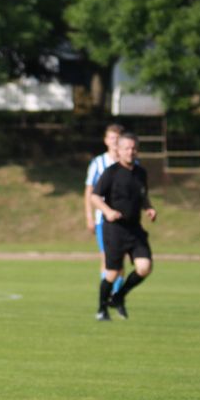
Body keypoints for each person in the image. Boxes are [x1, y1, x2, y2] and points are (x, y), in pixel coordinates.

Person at [90, 132, 156, 321]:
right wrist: (108, 211)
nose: (131, 151)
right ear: (118, 150)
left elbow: (142, 195)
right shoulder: (111, 172)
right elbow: (95, 196)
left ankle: (118, 297)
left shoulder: (141, 172)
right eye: (126, 148)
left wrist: (149, 207)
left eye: (134, 148)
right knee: (112, 272)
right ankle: (102, 309)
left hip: (135, 229)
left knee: (144, 267)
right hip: (114, 229)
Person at [84, 124, 125, 295]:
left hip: (125, 220)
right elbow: (89, 191)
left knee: (120, 262)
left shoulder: (130, 162)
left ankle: (116, 296)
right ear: (106, 141)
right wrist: (89, 217)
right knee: (107, 258)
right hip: (103, 219)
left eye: (118, 138)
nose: (115, 142)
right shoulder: (98, 163)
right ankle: (106, 296)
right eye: (111, 138)